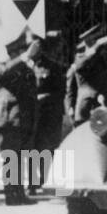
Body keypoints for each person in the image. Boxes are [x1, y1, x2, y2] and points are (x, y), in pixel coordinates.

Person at [0, 34, 39, 206]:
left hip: (21, 118)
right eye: (21, 50)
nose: (25, 53)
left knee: (18, 158)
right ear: (13, 52)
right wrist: (25, 57)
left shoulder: (24, 68)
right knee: (10, 157)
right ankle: (11, 195)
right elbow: (3, 73)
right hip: (7, 118)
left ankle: (18, 193)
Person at [30, 32, 68, 193]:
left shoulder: (53, 67)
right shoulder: (28, 67)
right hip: (32, 113)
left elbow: (61, 91)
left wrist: (46, 97)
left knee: (48, 147)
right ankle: (32, 182)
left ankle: (44, 179)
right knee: (32, 146)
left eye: (36, 48)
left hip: (49, 112)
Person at [66, 25, 107, 125]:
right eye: (96, 38)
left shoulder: (102, 58)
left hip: (103, 103)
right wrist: (70, 106)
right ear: (88, 40)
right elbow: (71, 87)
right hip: (87, 105)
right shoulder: (80, 58)